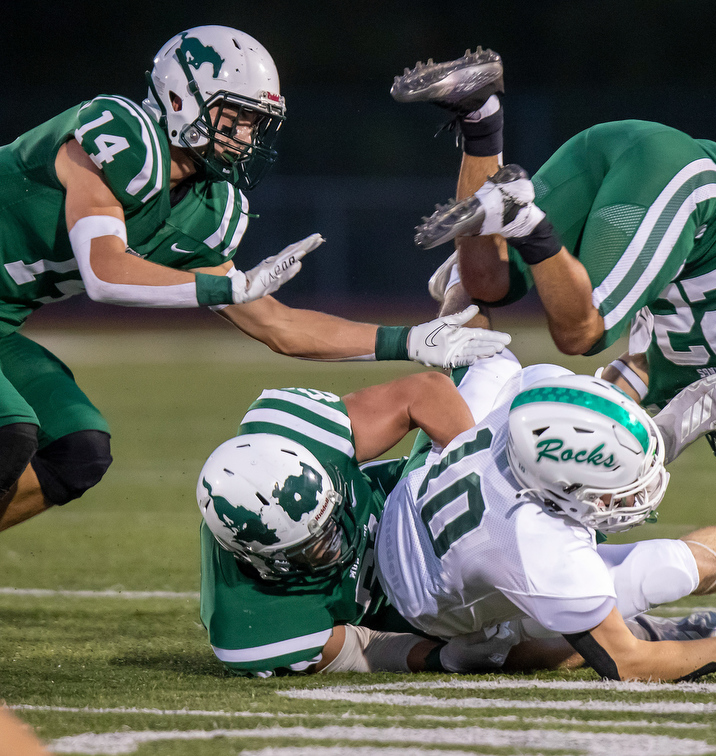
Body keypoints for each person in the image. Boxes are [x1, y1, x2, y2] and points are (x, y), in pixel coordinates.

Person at [390, 49, 716, 531]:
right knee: (583, 332)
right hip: (690, 185)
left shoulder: (671, 377)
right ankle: (525, 219)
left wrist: (600, 480)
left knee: (486, 285)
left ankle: (478, 114)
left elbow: (596, 412)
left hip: (612, 152)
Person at [0, 26, 509, 533]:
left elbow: (276, 325)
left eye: (255, 122)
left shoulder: (206, 207)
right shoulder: (119, 134)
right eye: (236, 116)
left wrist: (411, 341)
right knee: (12, 431)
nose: (246, 136)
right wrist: (227, 287)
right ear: (179, 97)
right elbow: (104, 272)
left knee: (76, 449)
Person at [196, 358, 716, 677]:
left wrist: (476, 485)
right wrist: (445, 658)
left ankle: (641, 425)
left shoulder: (292, 434)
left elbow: (423, 393)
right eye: (314, 549)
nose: (336, 540)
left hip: (417, 494)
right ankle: (646, 623)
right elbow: (368, 650)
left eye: (330, 516)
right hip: (411, 605)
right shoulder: (254, 630)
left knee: (494, 366)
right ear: (261, 562)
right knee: (506, 648)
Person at [374, 360, 716, 681]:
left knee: (494, 363)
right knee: (671, 569)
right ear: (559, 493)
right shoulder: (538, 547)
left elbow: (584, 420)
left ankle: (662, 435)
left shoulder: (538, 397)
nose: (638, 497)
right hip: (431, 606)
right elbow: (625, 664)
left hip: (408, 507)